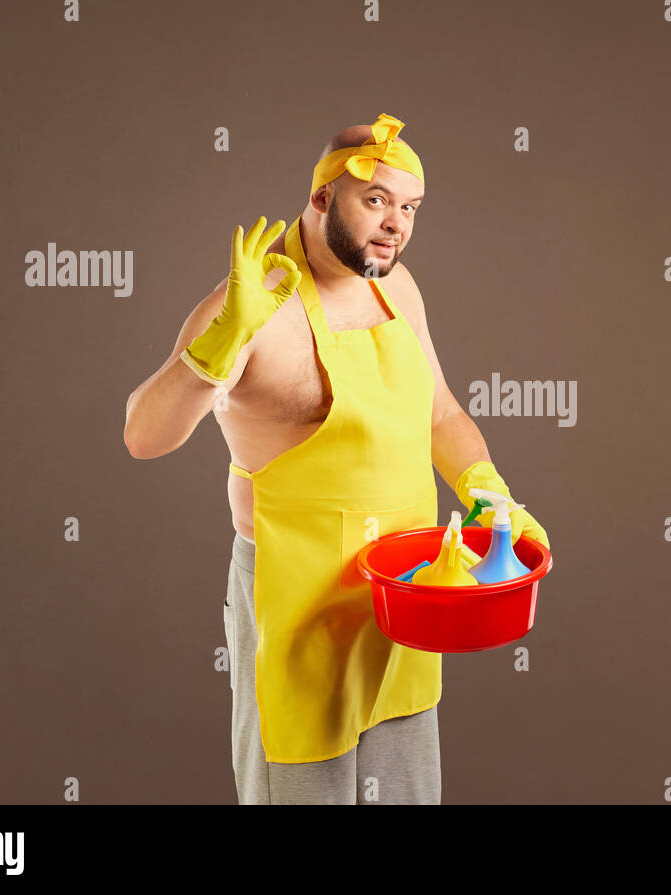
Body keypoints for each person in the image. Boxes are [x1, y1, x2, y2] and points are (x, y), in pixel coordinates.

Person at [124, 113, 549, 804]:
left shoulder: (397, 288)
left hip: (405, 594)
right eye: (376, 199)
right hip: (300, 607)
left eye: (408, 208)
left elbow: (439, 412)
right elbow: (143, 434)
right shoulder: (255, 305)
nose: (396, 225)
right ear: (321, 197)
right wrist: (215, 350)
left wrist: (488, 491)